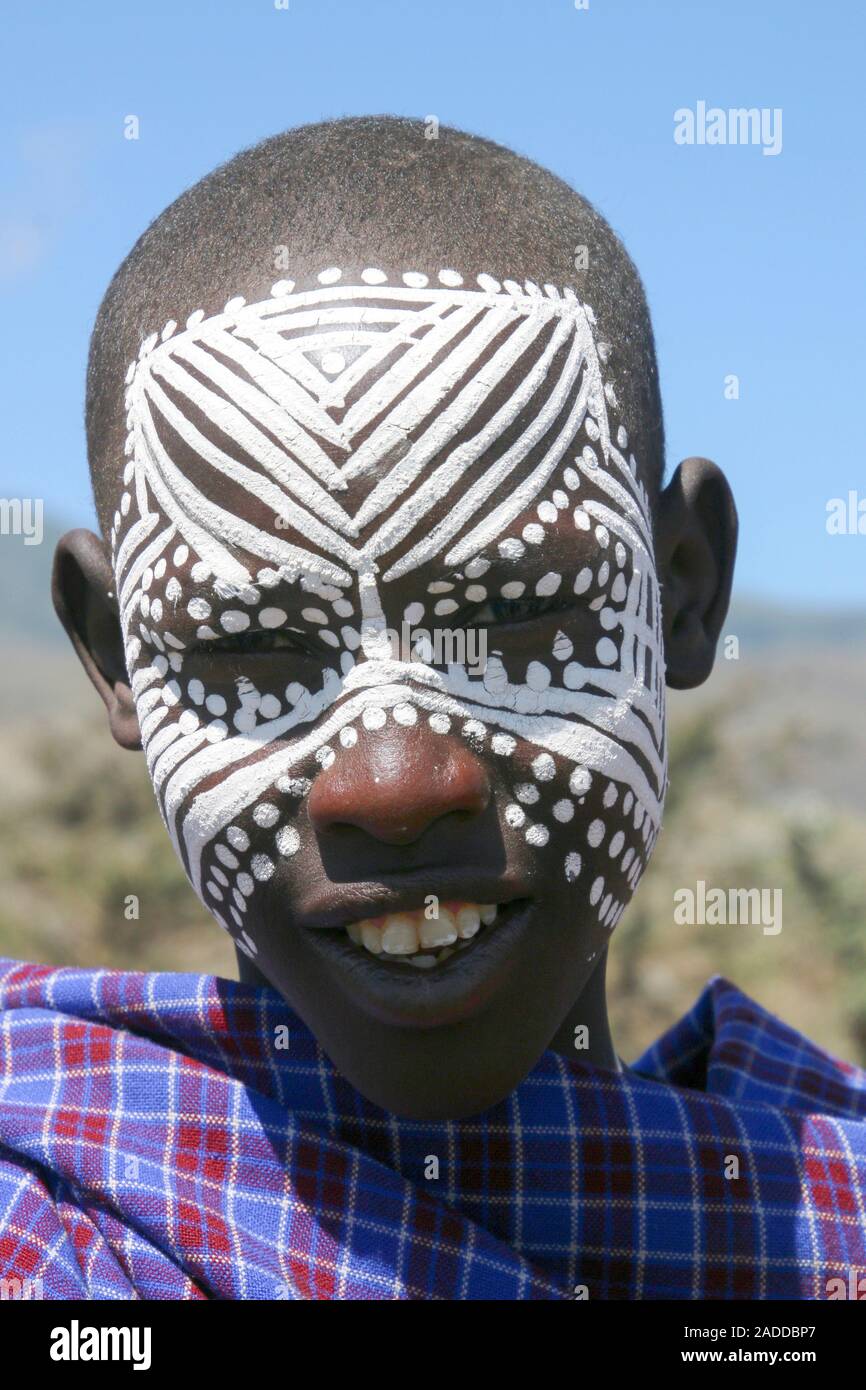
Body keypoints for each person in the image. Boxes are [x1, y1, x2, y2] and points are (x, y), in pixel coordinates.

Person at [1, 117, 864, 1300]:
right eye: (255, 644)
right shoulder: (53, 1252)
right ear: (118, 657)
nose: (395, 784)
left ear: (681, 591)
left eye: (513, 614)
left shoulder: (828, 1236)